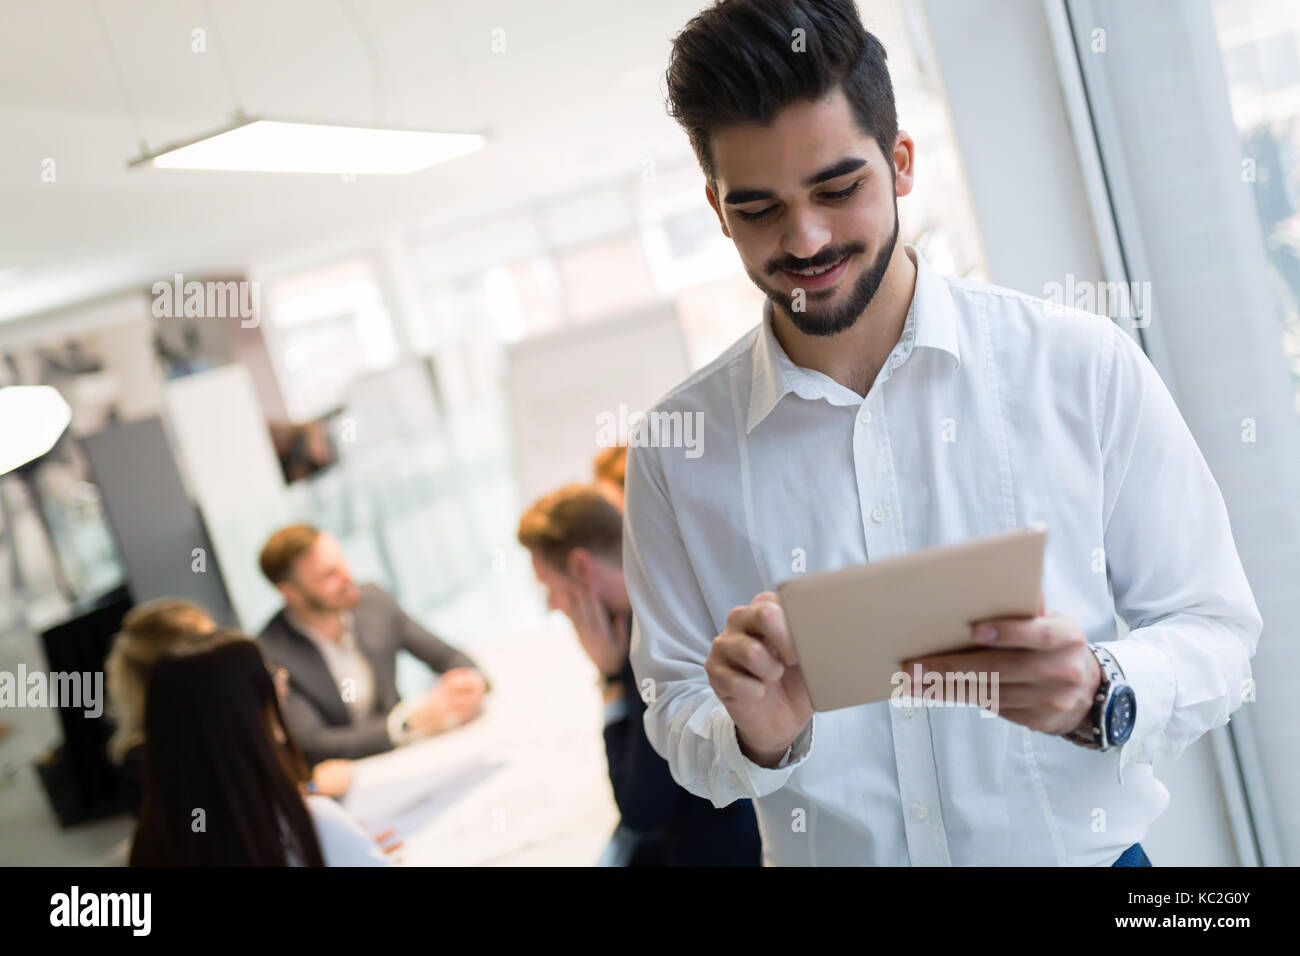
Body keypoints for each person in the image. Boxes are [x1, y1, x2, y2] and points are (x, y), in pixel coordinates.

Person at [625, 0, 1262, 866]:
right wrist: (756, 738)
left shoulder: (1077, 366)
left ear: (901, 162)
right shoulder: (674, 453)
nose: (805, 239)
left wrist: (1099, 691)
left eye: (838, 188)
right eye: (760, 209)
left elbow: (1217, 630)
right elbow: (673, 708)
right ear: (716, 207)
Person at [518, 483, 761, 866]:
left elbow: (640, 810)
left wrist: (610, 680)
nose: (552, 605)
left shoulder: (648, 639)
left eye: (549, 586)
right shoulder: (662, 603)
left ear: (581, 567)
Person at [129, 631, 391, 866]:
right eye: (272, 676)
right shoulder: (310, 825)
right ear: (252, 715)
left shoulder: (152, 844)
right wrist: (346, 846)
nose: (283, 685)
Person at [257, 524, 489, 766]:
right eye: (329, 574)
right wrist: (406, 724)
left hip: (412, 760)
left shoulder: (373, 602)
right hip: (352, 782)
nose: (348, 577)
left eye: (342, 562)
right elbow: (313, 744)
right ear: (290, 592)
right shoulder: (271, 653)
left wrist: (469, 683)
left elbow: (447, 656)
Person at [105, 597, 352, 804]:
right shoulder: (157, 760)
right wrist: (311, 789)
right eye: (213, 641)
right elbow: (241, 817)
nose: (226, 650)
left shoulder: (211, 726)